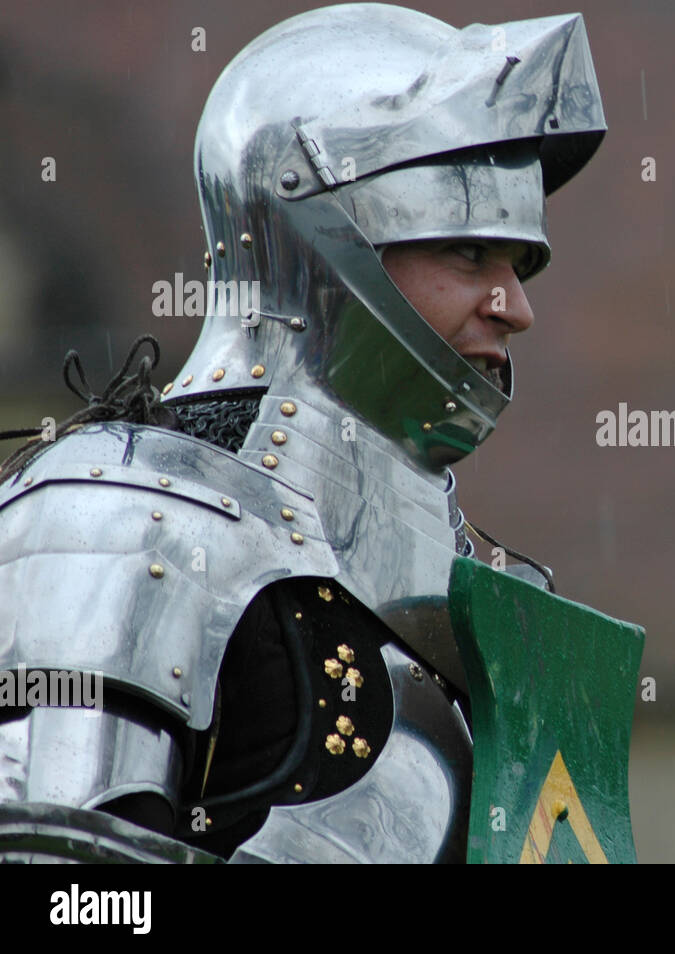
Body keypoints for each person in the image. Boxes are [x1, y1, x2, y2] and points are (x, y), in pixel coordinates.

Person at [0, 3, 610, 863]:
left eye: (521, 264)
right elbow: (64, 889)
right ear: (327, 242)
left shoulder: (498, 616)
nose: (517, 306)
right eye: (469, 254)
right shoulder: (122, 517)